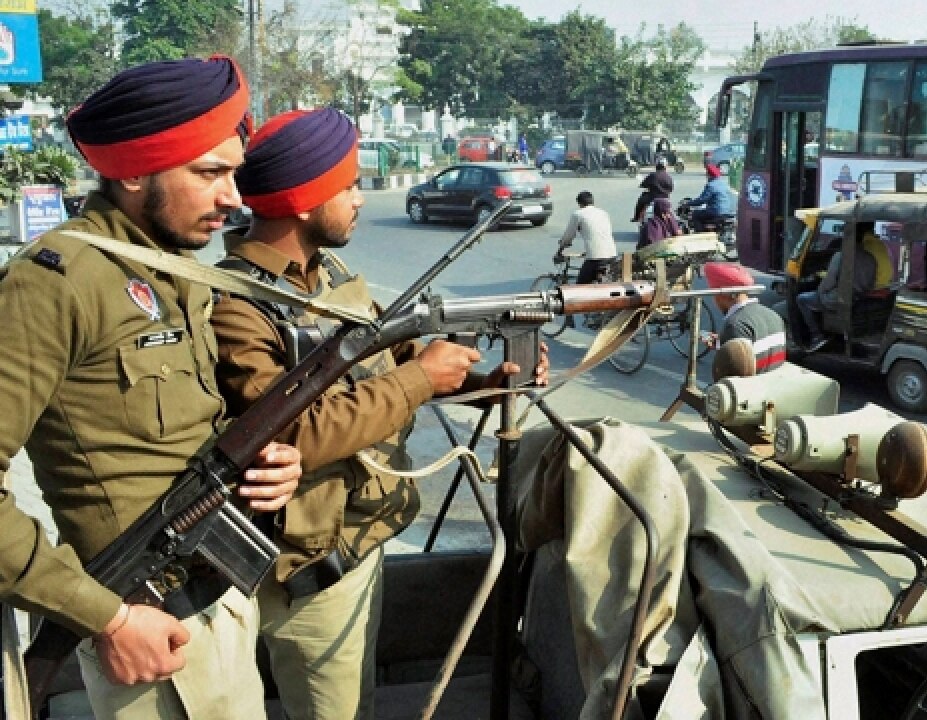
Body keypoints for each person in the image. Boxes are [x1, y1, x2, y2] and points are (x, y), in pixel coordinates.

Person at [210, 107, 548, 720]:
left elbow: (398, 359)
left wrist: (481, 384)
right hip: (306, 573)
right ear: (306, 200)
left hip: (361, 541)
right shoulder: (237, 304)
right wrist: (422, 376)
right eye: (348, 186)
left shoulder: (332, 275)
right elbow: (292, 431)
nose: (360, 199)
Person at [0, 56, 304, 718]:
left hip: (218, 601)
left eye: (233, 171)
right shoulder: (56, 281)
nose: (234, 196)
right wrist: (105, 618)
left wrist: (264, 463)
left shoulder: (175, 270)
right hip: (147, 630)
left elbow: (176, 432)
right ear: (135, 172)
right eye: (210, 173)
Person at [796, 233, 877, 352]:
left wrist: (820, 292)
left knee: (802, 299)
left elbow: (829, 282)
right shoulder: (871, 258)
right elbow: (871, 283)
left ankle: (817, 335)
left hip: (838, 299)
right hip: (860, 299)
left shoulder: (840, 256)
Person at [703, 261, 785, 374]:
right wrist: (722, 343)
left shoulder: (735, 325)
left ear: (722, 295)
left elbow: (735, 373)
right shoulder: (774, 315)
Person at [557, 190, 617, 285]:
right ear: (592, 201)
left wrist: (560, 249)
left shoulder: (578, 214)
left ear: (579, 203)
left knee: (581, 285)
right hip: (612, 254)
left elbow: (568, 236)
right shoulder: (604, 213)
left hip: (595, 258)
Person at [686, 164, 734, 231]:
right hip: (728, 211)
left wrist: (688, 203)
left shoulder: (710, 185)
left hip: (717, 211)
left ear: (709, 175)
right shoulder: (724, 183)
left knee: (695, 214)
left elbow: (701, 200)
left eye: (707, 174)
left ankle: (700, 235)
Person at [631, 157, 674, 222]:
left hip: (652, 198)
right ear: (665, 166)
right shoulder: (669, 177)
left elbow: (643, 184)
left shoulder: (652, 175)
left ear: (656, 165)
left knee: (640, 201)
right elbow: (671, 189)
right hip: (665, 198)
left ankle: (636, 217)